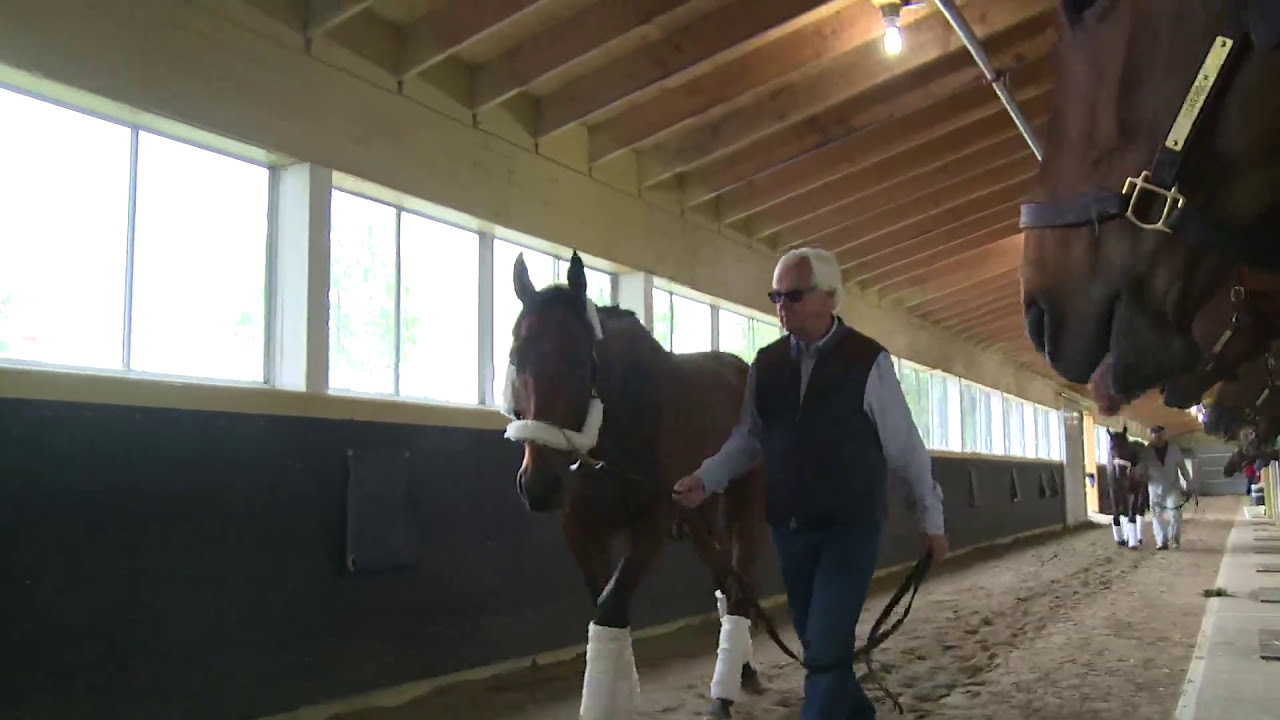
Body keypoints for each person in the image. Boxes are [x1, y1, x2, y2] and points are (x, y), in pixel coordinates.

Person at [672, 247, 947, 720]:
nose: (782, 306)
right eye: (776, 296)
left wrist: (931, 517)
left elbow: (905, 447)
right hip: (791, 528)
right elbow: (749, 440)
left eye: (794, 296)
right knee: (821, 645)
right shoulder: (768, 363)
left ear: (830, 297)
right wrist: (705, 479)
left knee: (823, 650)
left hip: (850, 528)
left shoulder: (867, 361)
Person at [1139, 425, 1193, 550]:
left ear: (1164, 435)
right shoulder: (1146, 451)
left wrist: (1189, 483)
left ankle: (1174, 539)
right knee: (1156, 515)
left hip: (1172, 486)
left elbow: (1182, 467)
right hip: (1154, 487)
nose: (1158, 439)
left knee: (1175, 514)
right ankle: (1161, 541)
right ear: (1151, 436)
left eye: (1160, 436)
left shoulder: (1174, 449)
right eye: (1155, 436)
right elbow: (1142, 468)